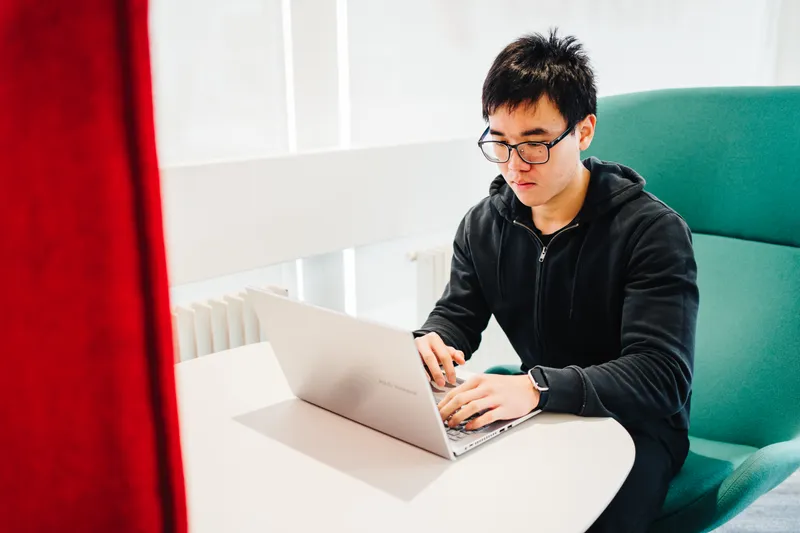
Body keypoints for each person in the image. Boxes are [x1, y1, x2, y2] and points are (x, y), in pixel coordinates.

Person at [413, 29, 699, 533]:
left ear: (583, 132)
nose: (515, 166)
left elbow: (662, 376)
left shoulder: (652, 232)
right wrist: (431, 342)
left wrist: (538, 387)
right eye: (499, 143)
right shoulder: (484, 224)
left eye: (537, 144)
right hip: (540, 415)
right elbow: (457, 315)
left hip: (635, 433)